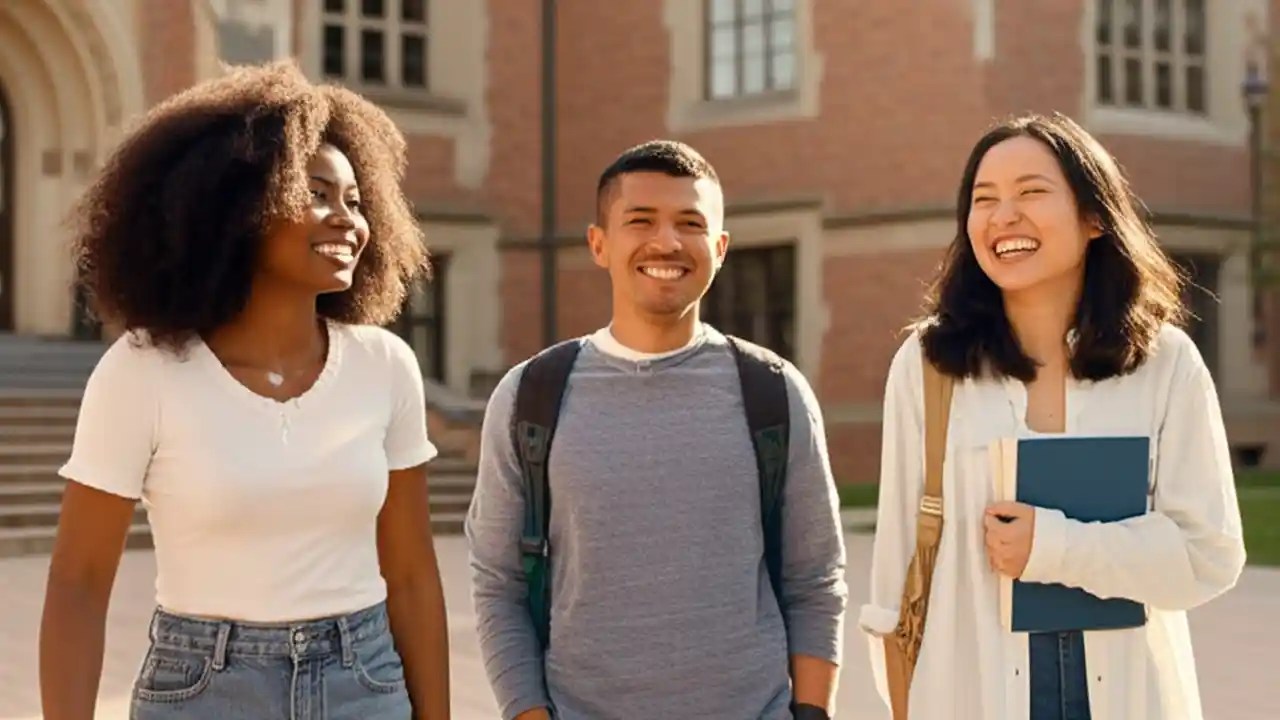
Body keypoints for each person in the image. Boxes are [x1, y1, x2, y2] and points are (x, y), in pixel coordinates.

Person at [39, 61, 450, 720]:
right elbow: (78, 581)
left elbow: (411, 575)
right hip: (204, 689)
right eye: (318, 193)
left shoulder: (385, 365)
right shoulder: (142, 371)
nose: (347, 220)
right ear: (237, 206)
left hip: (364, 684)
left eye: (355, 200)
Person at [860, 112, 1247, 719]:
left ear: (1094, 216)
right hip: (974, 697)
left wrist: (1054, 547)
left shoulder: (1165, 362)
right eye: (984, 199)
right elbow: (893, 583)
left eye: (1031, 192)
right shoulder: (928, 364)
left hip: (1129, 696)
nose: (1004, 216)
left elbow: (1209, 555)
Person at [465, 140, 847, 720]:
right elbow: (499, 585)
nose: (666, 242)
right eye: (640, 220)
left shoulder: (774, 392)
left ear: (720, 248)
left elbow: (815, 579)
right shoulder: (530, 397)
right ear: (599, 244)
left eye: (690, 223)